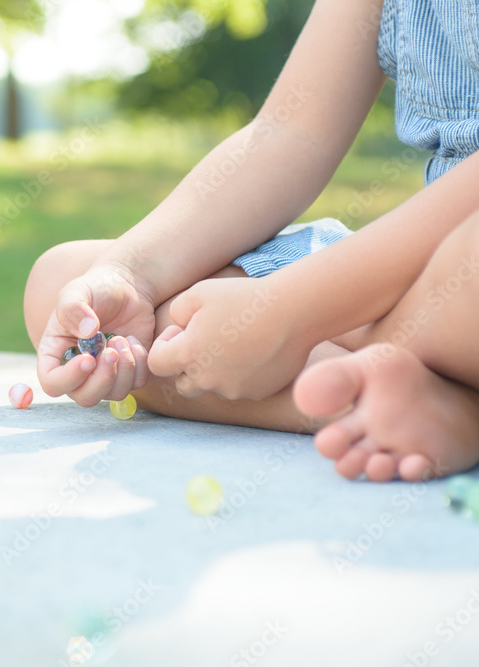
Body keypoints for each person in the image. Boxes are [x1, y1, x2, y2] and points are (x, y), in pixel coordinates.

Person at [24, 0, 479, 482]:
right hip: (418, 273)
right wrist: (130, 275)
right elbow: (290, 133)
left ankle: (409, 390)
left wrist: (289, 312)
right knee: (72, 293)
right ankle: (406, 399)